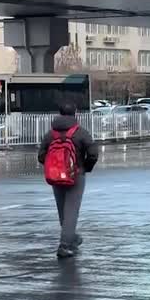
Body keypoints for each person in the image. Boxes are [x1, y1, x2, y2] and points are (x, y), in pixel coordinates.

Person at [38, 104, 99, 258]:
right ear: (75, 113)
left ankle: (71, 237)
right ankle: (65, 245)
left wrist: (54, 166)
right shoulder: (80, 132)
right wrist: (85, 167)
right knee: (71, 211)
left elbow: (41, 155)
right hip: (76, 175)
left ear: (59, 113)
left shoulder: (50, 134)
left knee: (63, 210)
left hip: (56, 176)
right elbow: (93, 153)